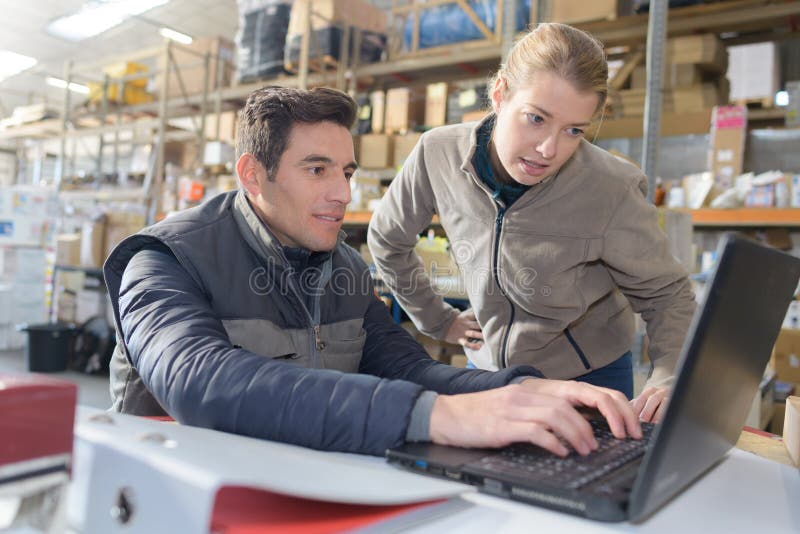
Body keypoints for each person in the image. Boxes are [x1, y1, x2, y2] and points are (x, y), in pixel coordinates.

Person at [103, 85, 641, 458]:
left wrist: (522, 391)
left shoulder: (344, 268)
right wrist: (434, 417)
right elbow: (199, 381)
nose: (342, 193)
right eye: (317, 170)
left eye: (347, 172)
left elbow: (408, 369)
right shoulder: (164, 259)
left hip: (288, 483)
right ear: (253, 175)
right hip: (167, 498)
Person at [367, 23, 696, 424]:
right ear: (500, 94)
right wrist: (438, 320)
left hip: (587, 380)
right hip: (488, 374)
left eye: (573, 131)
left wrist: (669, 375)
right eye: (536, 118)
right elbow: (387, 238)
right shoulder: (437, 153)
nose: (548, 149)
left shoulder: (610, 188)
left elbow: (668, 292)